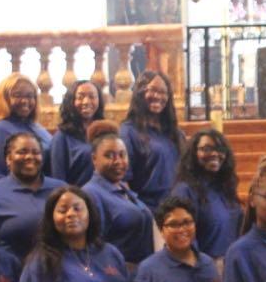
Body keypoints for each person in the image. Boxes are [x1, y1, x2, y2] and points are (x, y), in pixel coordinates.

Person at [0, 132, 66, 261]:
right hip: (12, 274)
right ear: (8, 159)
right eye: (22, 152)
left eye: (36, 152)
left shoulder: (62, 190)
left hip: (60, 270)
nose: (30, 156)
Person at [83, 121, 156, 267]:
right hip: (119, 275)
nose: (118, 161)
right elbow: (94, 247)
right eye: (109, 156)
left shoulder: (123, 187)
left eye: (122, 155)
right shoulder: (90, 194)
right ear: (94, 159)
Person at [170, 128, 242, 261]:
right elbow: (183, 240)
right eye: (207, 149)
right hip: (204, 270)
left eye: (220, 149)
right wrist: (206, 267)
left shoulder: (225, 188)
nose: (214, 153)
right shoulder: (184, 191)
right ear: (193, 153)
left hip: (231, 264)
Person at [120, 70, 185, 208]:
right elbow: (122, 180)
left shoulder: (176, 134)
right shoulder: (128, 132)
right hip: (146, 209)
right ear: (140, 93)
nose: (158, 96)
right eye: (153, 90)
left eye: (163, 92)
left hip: (176, 208)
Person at [0, 74, 52, 184]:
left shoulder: (39, 129)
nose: (24, 101)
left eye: (29, 96)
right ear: (4, 98)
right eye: (17, 95)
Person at [50, 81, 105, 186]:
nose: (86, 102)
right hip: (77, 197)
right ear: (71, 101)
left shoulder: (104, 132)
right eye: (80, 97)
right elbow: (58, 179)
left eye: (92, 96)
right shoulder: (62, 137)